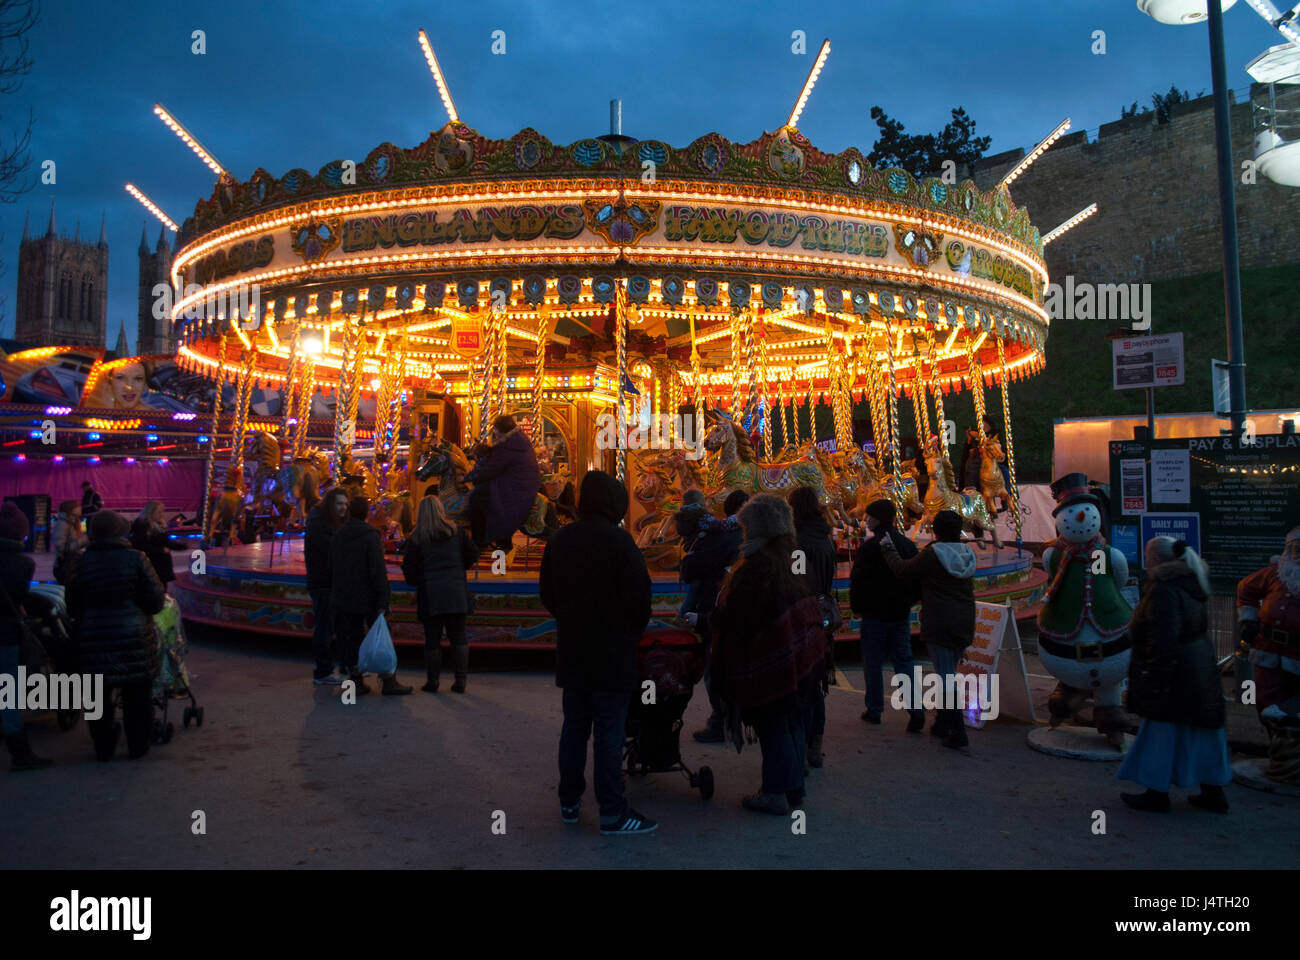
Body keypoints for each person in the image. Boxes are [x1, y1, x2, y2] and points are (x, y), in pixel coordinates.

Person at [540, 470, 656, 835]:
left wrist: (570, 618)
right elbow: (640, 599)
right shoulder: (620, 542)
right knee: (609, 730)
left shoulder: (560, 540)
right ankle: (612, 811)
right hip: (612, 652)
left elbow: (547, 594)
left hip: (574, 649)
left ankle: (569, 802)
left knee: (574, 727)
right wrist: (629, 630)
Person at [711, 495, 826, 814]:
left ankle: (776, 792)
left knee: (772, 724)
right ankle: (793, 787)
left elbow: (743, 613)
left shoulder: (758, 565)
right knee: (790, 721)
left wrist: (712, 621)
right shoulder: (789, 557)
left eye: (747, 526)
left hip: (770, 658)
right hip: (797, 655)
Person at [1119, 537, 1231, 813]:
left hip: (1176, 668)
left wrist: (1154, 673)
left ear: (1155, 560)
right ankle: (1213, 792)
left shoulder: (1163, 589)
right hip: (1199, 664)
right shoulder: (1192, 580)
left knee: (1161, 732)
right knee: (1201, 729)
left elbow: (1163, 634)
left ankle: (1156, 793)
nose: (1145, 563)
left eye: (1147, 557)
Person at [66, 510, 167, 761]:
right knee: (137, 697)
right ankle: (137, 745)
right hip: (133, 636)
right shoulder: (136, 559)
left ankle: (103, 746)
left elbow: (72, 603)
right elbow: (156, 599)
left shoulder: (80, 561)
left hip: (93, 637)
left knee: (97, 698)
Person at [880, 510, 976, 750]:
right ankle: (943, 723)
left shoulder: (934, 554)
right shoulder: (967, 553)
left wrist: (888, 549)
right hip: (964, 618)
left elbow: (903, 570)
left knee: (945, 677)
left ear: (936, 530)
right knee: (949, 671)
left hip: (940, 619)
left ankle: (958, 732)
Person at [850, 498, 925, 731]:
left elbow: (858, 580)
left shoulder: (870, 548)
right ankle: (915, 710)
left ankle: (874, 709)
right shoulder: (907, 545)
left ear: (877, 519)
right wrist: (907, 602)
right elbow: (915, 580)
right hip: (899, 613)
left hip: (874, 614)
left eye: (868, 517)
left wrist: (857, 607)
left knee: (872, 662)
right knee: (904, 661)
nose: (865, 520)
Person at [682, 488, 748, 743]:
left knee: (716, 668)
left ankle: (720, 720)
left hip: (717, 607)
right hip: (734, 612)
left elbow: (694, 568)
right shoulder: (746, 538)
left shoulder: (722, 536)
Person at [1237, 526, 1300, 785]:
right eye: (1295, 549)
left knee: (1293, 707)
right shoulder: (1275, 574)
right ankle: (1279, 751)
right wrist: (1249, 619)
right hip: (1268, 649)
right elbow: (1246, 588)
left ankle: (1292, 758)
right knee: (1266, 701)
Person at [330, 496, 410, 696]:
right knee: (381, 637)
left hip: (344, 594)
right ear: (366, 513)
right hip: (368, 595)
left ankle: (354, 682)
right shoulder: (370, 536)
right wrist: (384, 598)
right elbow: (377, 570)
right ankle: (388, 680)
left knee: (351, 638)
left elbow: (333, 565)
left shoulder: (338, 536)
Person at [403, 496, 479, 693]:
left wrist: (420, 579)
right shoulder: (456, 532)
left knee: (432, 639)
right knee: (459, 637)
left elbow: (409, 571)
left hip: (431, 593)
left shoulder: (416, 538)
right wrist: (459, 569)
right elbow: (473, 554)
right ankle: (460, 680)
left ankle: (433, 681)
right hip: (455, 591)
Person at [788, 485, 836, 769]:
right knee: (816, 685)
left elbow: (794, 580)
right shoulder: (826, 539)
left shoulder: (796, 542)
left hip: (801, 614)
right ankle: (814, 745)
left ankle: (800, 746)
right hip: (822, 614)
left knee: (798, 685)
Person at [1, 502, 51, 770]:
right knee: (6, 692)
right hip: (5, 633)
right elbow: (20, 597)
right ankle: (20, 752)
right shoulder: (23, 564)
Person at [465, 415, 541, 555]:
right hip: (522, 483)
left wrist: (470, 478)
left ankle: (480, 540)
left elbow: (492, 469)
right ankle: (499, 540)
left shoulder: (509, 446)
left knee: (477, 498)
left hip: (516, 487)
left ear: (500, 430)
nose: (494, 434)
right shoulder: (515, 441)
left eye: (495, 431)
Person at [304, 488, 348, 686]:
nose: (343, 508)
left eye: (345, 504)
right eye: (339, 504)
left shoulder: (326, 524)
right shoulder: (320, 526)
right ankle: (322, 671)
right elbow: (330, 555)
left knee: (334, 626)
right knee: (324, 627)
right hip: (323, 582)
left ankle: (338, 667)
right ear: (331, 504)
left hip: (329, 582)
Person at [130, 500, 175, 587]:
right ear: (151, 512)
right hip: (150, 565)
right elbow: (140, 545)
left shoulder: (158, 525)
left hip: (160, 567)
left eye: (162, 512)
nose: (162, 514)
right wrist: (161, 550)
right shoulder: (142, 525)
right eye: (159, 512)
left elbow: (165, 542)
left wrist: (181, 546)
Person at [50, 500, 86, 585]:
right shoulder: (62, 524)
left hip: (73, 565)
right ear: (71, 509)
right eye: (77, 506)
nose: (80, 508)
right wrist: (83, 541)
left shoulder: (73, 523)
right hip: (66, 567)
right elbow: (62, 548)